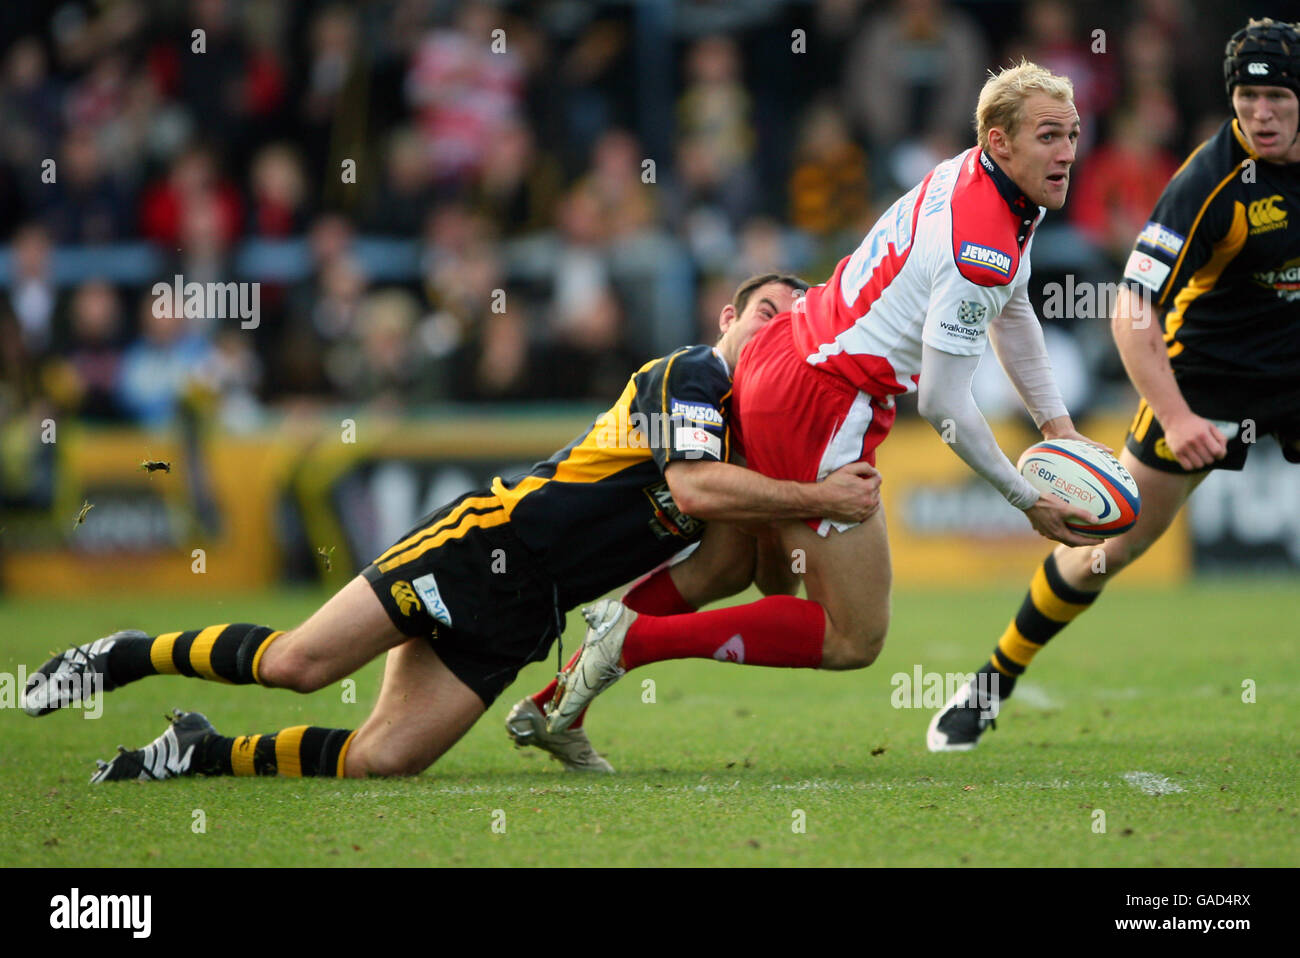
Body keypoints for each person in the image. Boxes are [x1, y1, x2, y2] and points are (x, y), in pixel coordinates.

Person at [24, 274, 883, 782]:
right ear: (728, 322)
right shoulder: (686, 374)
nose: (778, 328)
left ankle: (200, 754)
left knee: (382, 762)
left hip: (528, 611)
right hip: (481, 547)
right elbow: (695, 492)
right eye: (767, 311)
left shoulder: (760, 444)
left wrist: (805, 521)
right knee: (299, 665)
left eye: (792, 322)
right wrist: (818, 498)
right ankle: (125, 654)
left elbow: (738, 570)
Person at [547, 60, 1100, 735]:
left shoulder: (987, 176)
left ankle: (556, 698)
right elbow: (948, 407)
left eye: (1073, 134)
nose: (1068, 153)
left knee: (742, 569)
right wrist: (1026, 499)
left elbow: (1013, 306)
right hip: (823, 397)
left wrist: (1058, 428)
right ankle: (628, 641)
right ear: (999, 140)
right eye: (1050, 136)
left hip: (787, 350)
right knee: (853, 636)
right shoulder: (978, 245)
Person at [927, 18, 1300, 751]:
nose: (1260, 113)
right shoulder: (1210, 180)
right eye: (1246, 97)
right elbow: (1131, 312)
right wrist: (1176, 415)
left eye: (1278, 97)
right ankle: (992, 680)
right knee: (1110, 547)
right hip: (1203, 380)